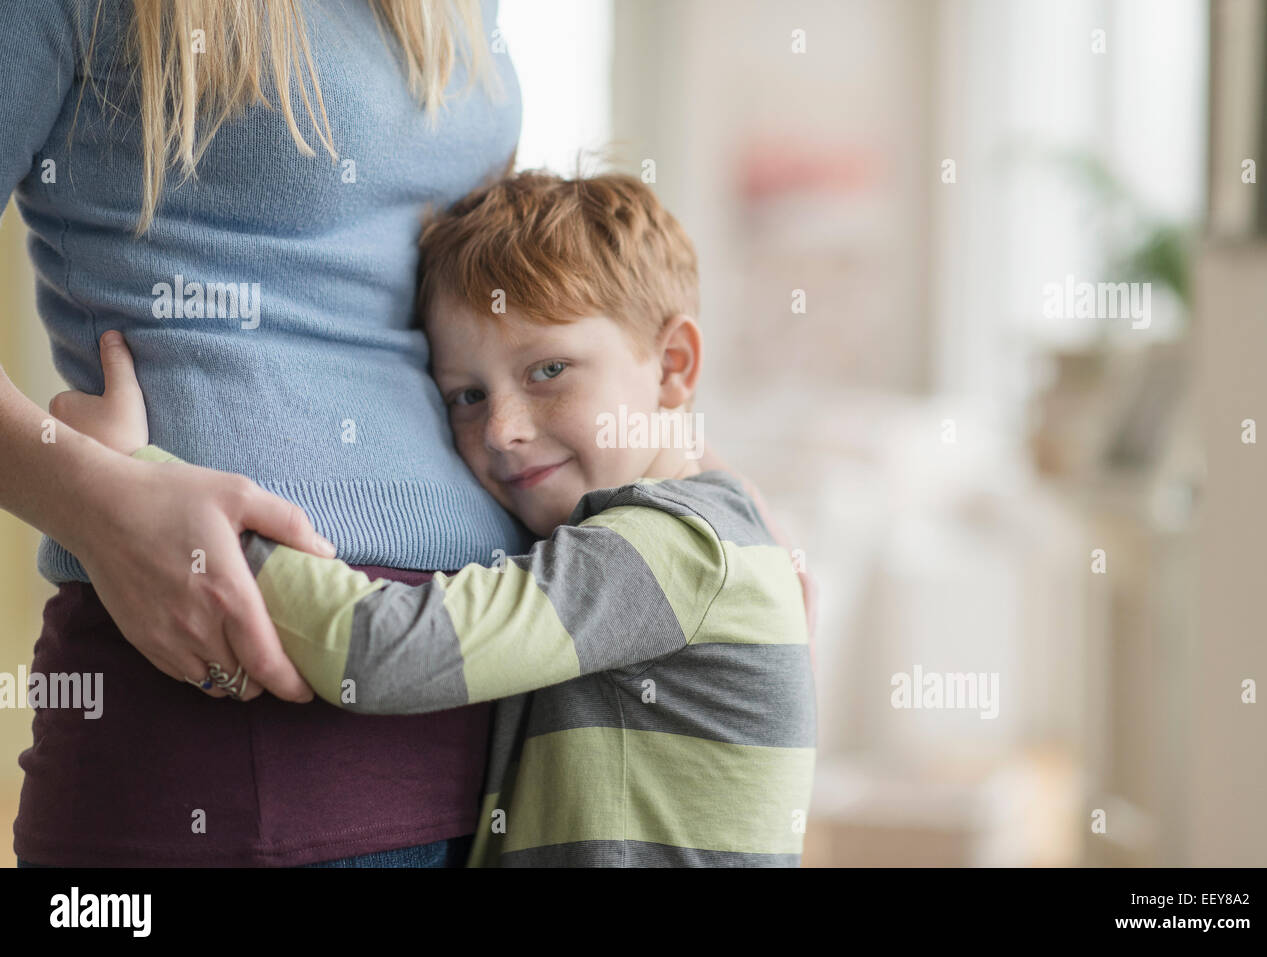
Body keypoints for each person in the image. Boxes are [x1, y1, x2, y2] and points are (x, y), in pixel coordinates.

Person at [52, 169, 817, 866]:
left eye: (549, 370)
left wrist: (137, 484)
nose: (503, 429)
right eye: (466, 395)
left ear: (675, 365)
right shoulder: (708, 531)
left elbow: (380, 650)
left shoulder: (661, 548)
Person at [2, 0, 533, 867]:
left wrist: (675, 487)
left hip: (500, 731)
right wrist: (91, 499)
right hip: (224, 742)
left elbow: (515, 289)